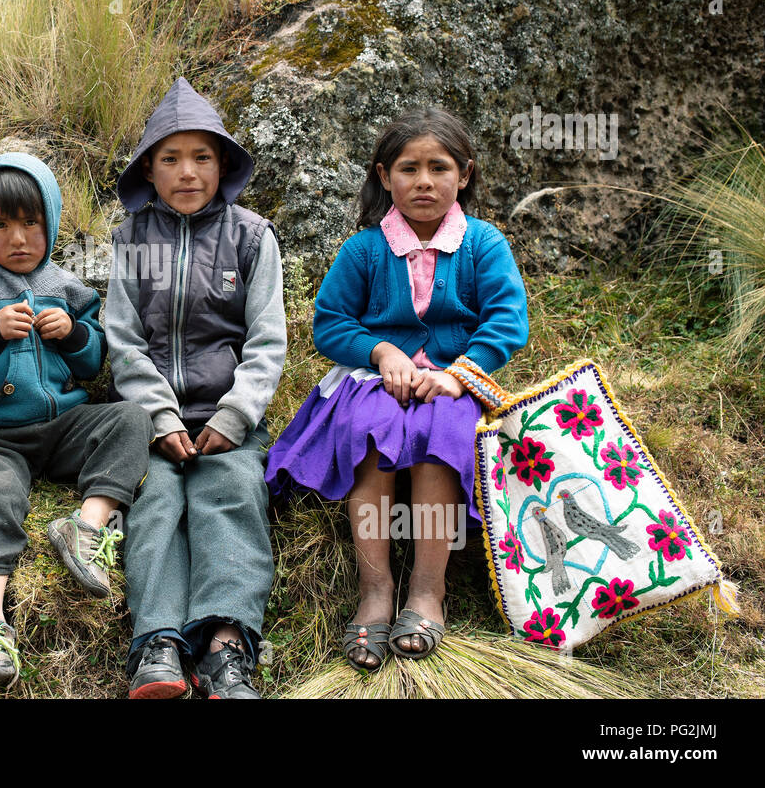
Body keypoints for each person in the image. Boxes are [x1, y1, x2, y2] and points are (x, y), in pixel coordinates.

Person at [265, 107, 529, 671]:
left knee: (442, 436)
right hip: (374, 382)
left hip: (454, 383)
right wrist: (383, 352)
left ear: (465, 174)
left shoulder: (483, 244)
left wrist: (460, 373)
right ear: (385, 177)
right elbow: (332, 321)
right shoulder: (364, 250)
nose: (425, 182)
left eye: (440, 168)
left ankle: (428, 590)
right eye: (409, 169)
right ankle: (376, 588)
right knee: (372, 433)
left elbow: (507, 321)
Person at [0, 152, 152, 689]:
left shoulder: (68, 286)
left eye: (30, 223)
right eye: (0, 225)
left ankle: (84, 527)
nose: (17, 237)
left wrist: (71, 333)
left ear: (52, 220)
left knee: (132, 420)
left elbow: (94, 361)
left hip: (64, 426)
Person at [107, 77, 287, 699]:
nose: (188, 172)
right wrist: (159, 418)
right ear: (149, 171)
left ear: (224, 164)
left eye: (202, 157)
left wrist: (235, 417)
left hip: (226, 417)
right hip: (150, 421)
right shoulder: (130, 240)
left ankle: (225, 648)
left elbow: (266, 343)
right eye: (170, 158)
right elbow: (124, 342)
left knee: (232, 494)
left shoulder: (252, 237)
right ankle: (158, 643)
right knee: (155, 505)